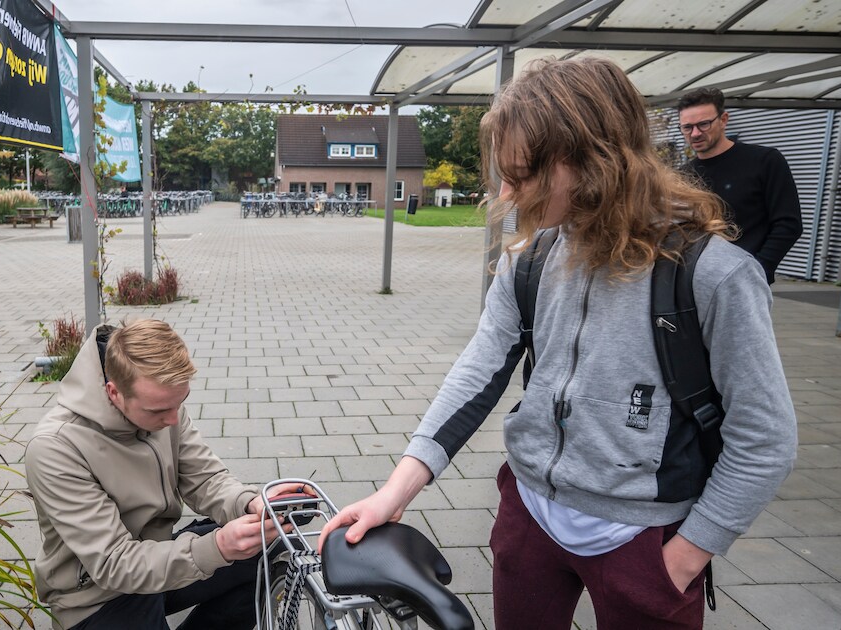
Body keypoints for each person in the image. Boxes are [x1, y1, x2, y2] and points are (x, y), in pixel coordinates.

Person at [320, 58, 797, 629]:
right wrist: (395, 491)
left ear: (593, 160)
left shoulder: (714, 275)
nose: (504, 192)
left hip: (646, 538)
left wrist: (689, 552)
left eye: (521, 175)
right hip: (529, 520)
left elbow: (764, 437)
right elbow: (479, 371)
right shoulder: (531, 260)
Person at [26, 319, 301, 630]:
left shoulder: (160, 399)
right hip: (97, 595)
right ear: (114, 393)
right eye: (158, 411)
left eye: (179, 403)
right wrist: (219, 547)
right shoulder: (56, 448)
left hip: (161, 558)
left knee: (274, 548)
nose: (172, 420)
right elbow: (113, 563)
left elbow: (205, 478)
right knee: (232, 550)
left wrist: (251, 503)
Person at [677, 87, 803, 284]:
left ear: (724, 120)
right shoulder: (682, 175)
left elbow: (788, 224)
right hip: (693, 283)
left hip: (746, 279)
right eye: (687, 127)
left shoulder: (764, 161)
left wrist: (759, 268)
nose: (695, 134)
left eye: (703, 124)